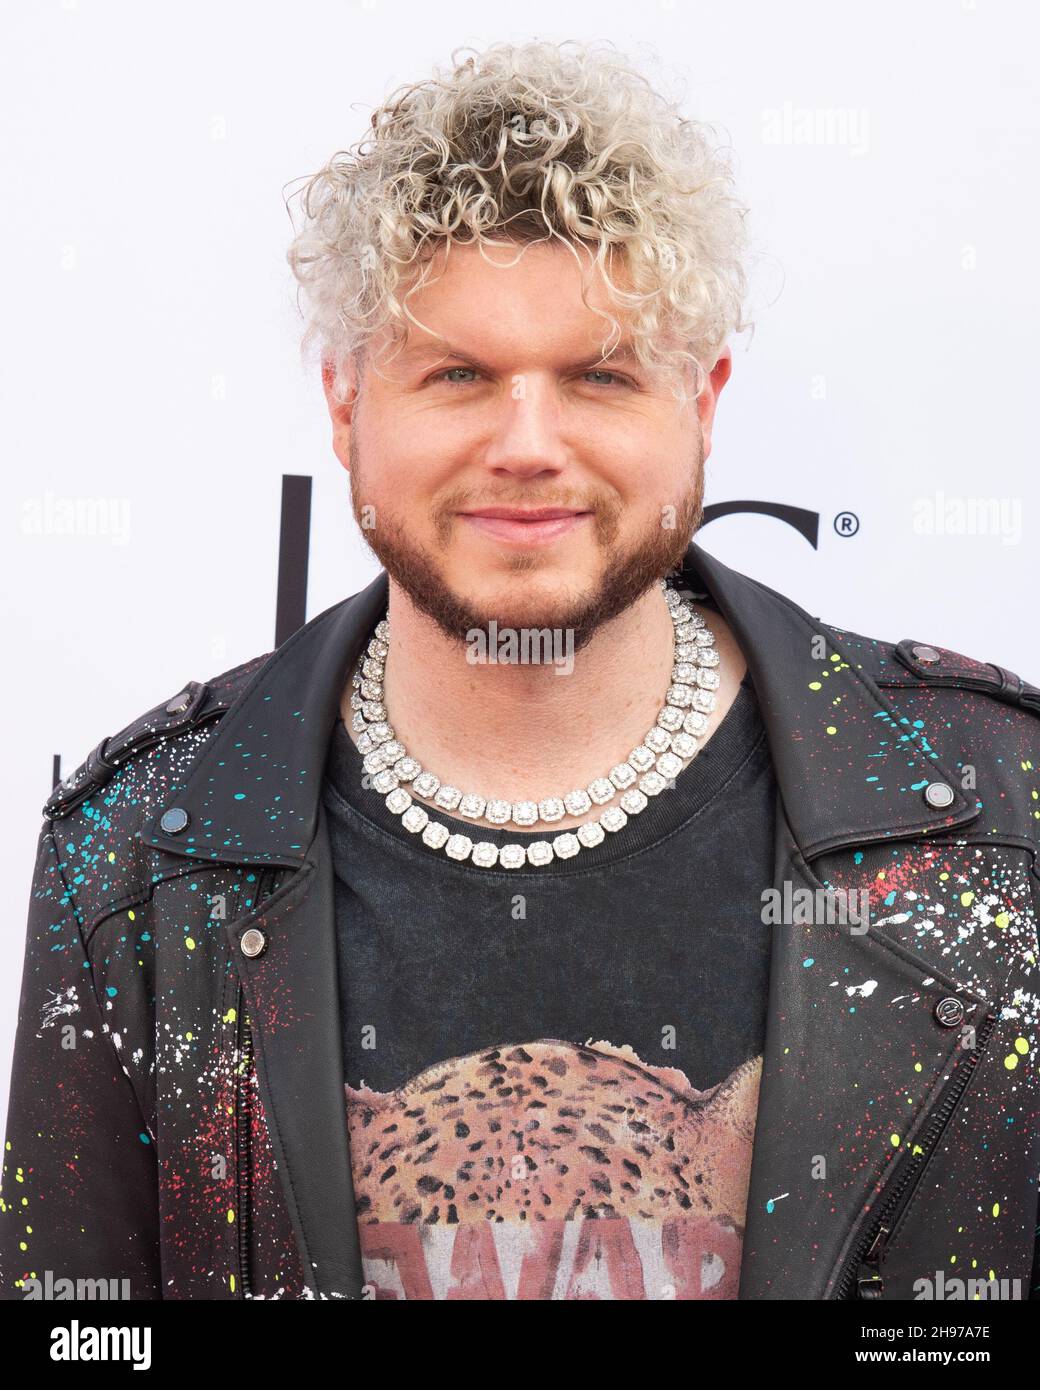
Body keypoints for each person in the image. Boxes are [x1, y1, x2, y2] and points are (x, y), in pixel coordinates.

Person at [2, 39, 1038, 1303]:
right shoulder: (142, 855)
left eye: (599, 374)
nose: (527, 445)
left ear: (702, 405)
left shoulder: (997, 815)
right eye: (458, 375)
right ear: (343, 406)